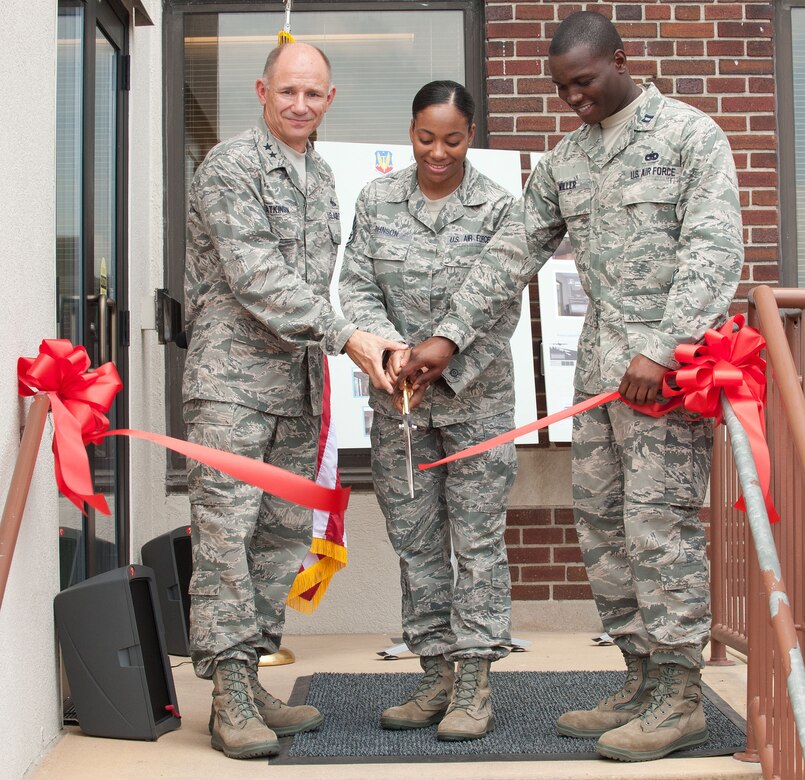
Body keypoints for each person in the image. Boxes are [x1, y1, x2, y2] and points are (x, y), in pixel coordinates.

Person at [400, 12, 744, 762]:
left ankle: (681, 696)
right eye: (561, 89)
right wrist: (448, 338)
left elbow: (714, 253)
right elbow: (511, 252)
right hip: (598, 379)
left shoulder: (689, 136)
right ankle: (641, 677)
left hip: (664, 382)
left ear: (620, 59)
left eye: (582, 83)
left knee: (659, 528)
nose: (572, 99)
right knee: (603, 529)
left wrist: (661, 348)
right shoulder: (566, 160)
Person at [182, 42, 406, 760]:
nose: (300, 105)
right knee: (226, 540)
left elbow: (320, 281)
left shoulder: (322, 175)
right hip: (233, 390)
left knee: (277, 541)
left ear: (329, 99)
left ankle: (249, 683)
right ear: (262, 91)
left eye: (313, 94)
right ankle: (226, 698)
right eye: (287, 92)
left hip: (297, 387)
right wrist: (347, 336)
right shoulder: (231, 167)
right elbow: (257, 277)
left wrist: (363, 336)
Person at [339, 80, 521, 741]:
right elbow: (355, 286)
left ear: (470, 136)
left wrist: (448, 356)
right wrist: (388, 350)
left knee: (476, 544)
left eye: (451, 140)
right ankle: (435, 674)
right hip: (400, 410)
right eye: (424, 138)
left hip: (476, 405)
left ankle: (474, 681)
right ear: (409, 132)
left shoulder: (499, 209)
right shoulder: (377, 199)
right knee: (415, 544)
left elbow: (502, 303)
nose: (437, 153)